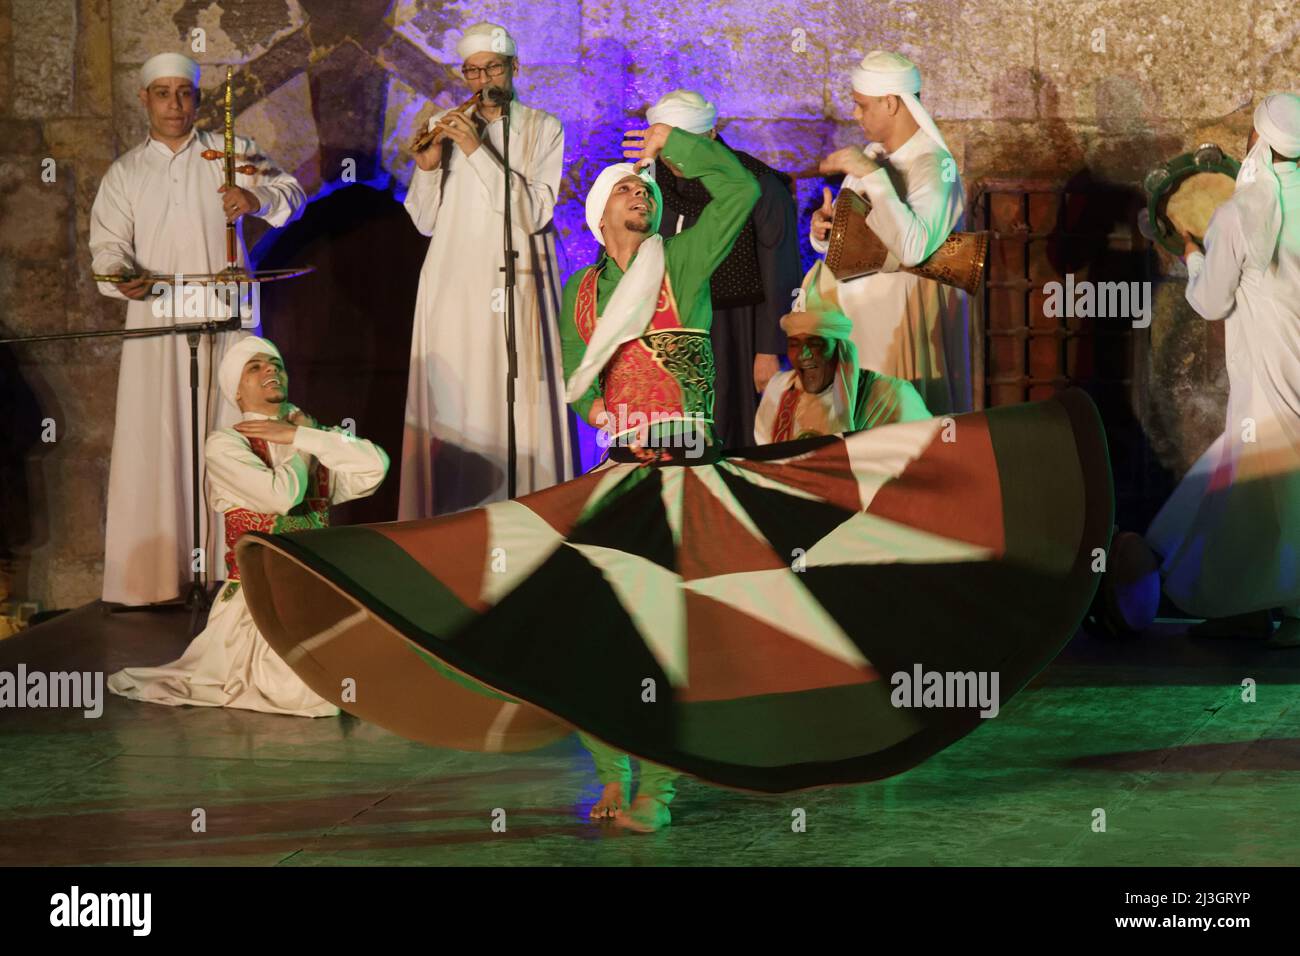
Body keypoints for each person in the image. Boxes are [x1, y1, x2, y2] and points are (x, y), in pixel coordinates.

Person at [559, 121, 760, 829]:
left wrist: (672, 149)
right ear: (599, 215)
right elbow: (577, 379)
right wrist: (602, 416)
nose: (636, 195)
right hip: (620, 474)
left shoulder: (682, 261)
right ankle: (613, 771)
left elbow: (741, 189)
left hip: (688, 472)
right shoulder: (581, 290)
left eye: (643, 190)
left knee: (677, 636)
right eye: (623, 190)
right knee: (597, 630)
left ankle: (659, 794)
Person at [90, 51, 306, 605]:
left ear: (198, 100)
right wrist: (122, 276)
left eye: (183, 94)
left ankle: (232, 570)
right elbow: (107, 248)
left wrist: (255, 197)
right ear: (144, 99)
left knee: (230, 432)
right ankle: (157, 579)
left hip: (228, 313)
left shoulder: (231, 152)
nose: (173, 104)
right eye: (162, 93)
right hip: (158, 317)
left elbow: (291, 194)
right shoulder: (125, 173)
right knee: (156, 436)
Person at [108, 336, 390, 714]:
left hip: (319, 592)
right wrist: (303, 447)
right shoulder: (225, 445)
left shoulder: (311, 434)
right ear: (237, 391)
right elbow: (281, 496)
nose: (271, 370)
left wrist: (301, 435)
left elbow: (377, 466)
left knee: (380, 674)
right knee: (308, 691)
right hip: (260, 599)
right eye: (254, 367)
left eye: (276, 364)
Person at [1138, 93, 1300, 649]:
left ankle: (1241, 604)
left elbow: (1210, 302)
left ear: (1258, 143)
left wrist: (1192, 254)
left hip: (1267, 374)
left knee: (1260, 493)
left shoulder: (1241, 212)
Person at [399, 21, 573, 518]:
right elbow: (425, 220)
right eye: (472, 71)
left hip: (516, 287)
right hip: (453, 286)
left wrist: (476, 149)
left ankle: (530, 518)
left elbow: (534, 212)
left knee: (515, 397)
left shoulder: (543, 127)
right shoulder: (448, 126)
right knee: (458, 402)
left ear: (515, 68)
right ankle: (456, 527)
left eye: (491, 68)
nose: (481, 80)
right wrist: (429, 167)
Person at [811, 50, 971, 415]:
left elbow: (913, 248)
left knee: (897, 433)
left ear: (890, 103)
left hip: (899, 330)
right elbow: (858, 239)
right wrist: (826, 231)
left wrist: (871, 176)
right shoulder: (873, 157)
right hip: (854, 326)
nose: (855, 114)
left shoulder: (935, 165)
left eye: (862, 105)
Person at [647, 89, 802, 448]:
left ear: (711, 136)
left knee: (729, 432)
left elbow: (780, 270)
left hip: (736, 329)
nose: (678, 159)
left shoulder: (758, 183)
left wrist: (769, 349)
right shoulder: (648, 183)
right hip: (667, 327)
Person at [756, 263, 929, 443]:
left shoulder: (890, 396)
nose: (803, 354)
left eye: (815, 343)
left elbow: (929, 457)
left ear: (841, 348)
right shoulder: (778, 395)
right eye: (794, 343)